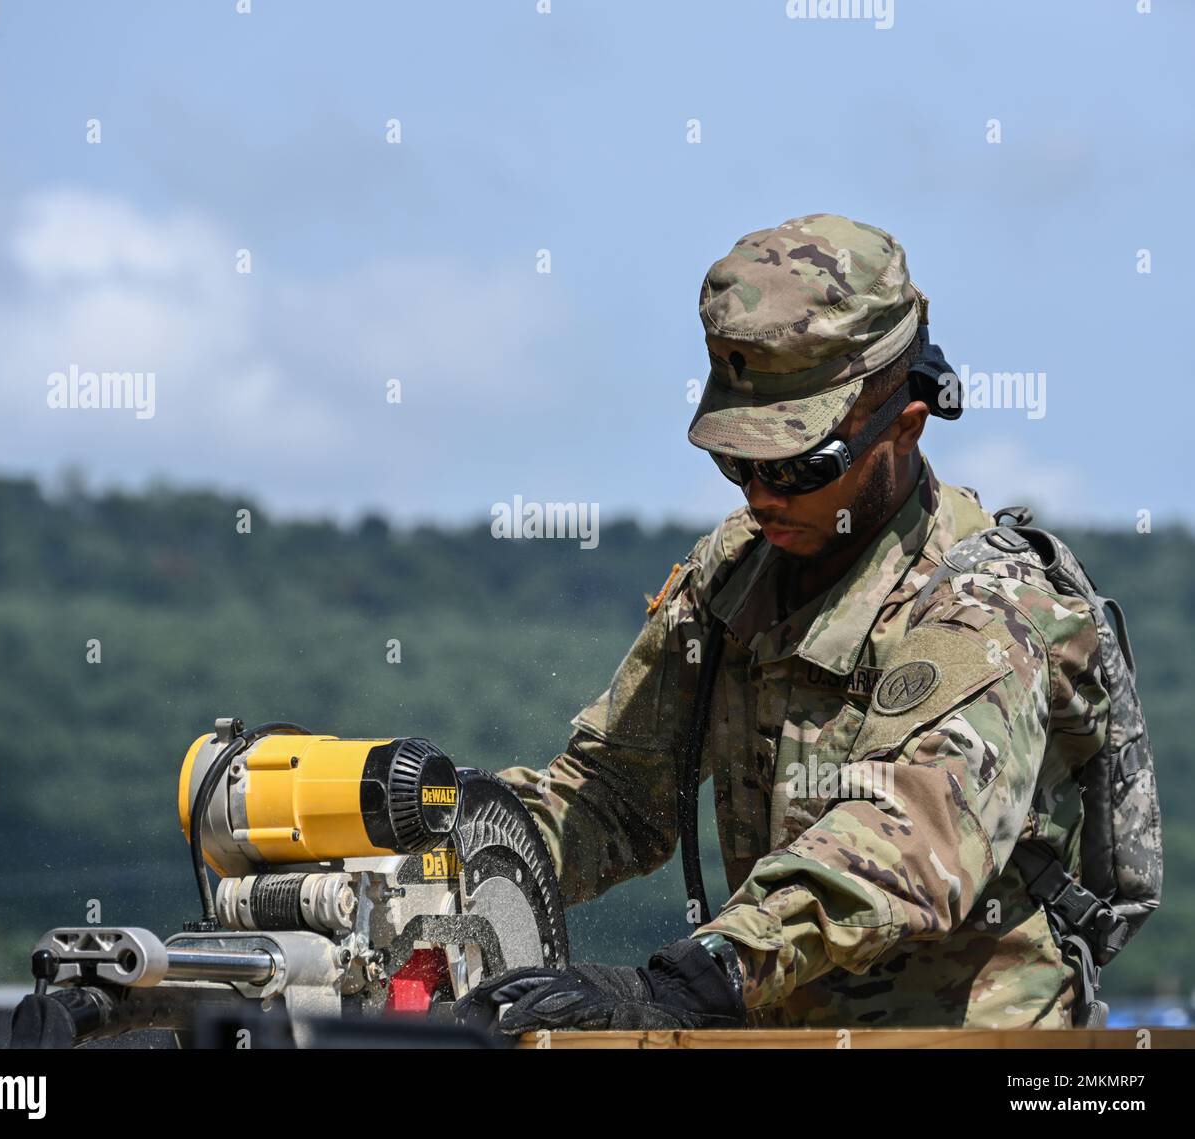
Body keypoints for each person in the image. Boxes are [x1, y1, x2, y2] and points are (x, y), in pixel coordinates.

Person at [455, 212, 1112, 1034]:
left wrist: (706, 972)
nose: (761, 496)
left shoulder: (987, 604)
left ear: (902, 428)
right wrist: (442, 845)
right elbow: (611, 797)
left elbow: (908, 842)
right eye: (738, 462)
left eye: (799, 466)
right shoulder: (735, 574)